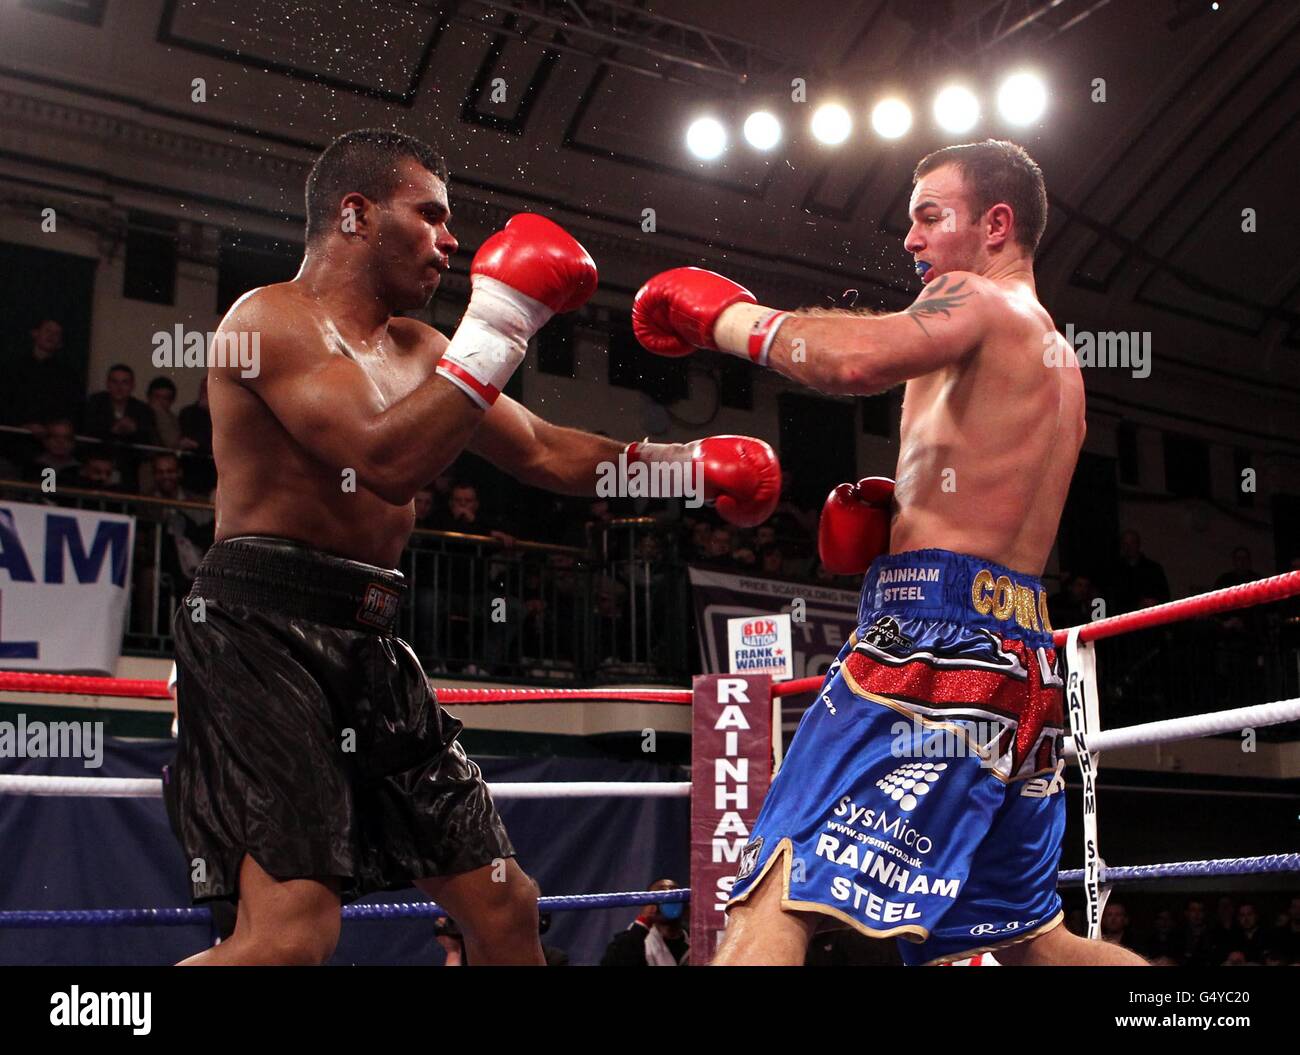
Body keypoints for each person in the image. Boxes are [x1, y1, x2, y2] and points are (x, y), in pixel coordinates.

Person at [165, 128, 780, 966]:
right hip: (260, 632)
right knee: (289, 938)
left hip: (372, 636)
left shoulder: (421, 350)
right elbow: (385, 460)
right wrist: (501, 321)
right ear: (355, 214)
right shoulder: (267, 320)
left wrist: (691, 468)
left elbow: (544, 452)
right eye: (430, 214)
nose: (451, 239)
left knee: (504, 907)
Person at [633, 138, 1146, 966]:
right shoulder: (1059, 359)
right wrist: (902, 521)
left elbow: (851, 360)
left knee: (776, 888)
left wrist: (719, 317)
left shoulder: (973, 296)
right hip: (1023, 660)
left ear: (996, 225)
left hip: (931, 648)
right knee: (1034, 942)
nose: (911, 239)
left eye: (930, 217)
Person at [600, 879, 690, 965]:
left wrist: (693, 918)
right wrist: (644, 921)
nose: (669, 898)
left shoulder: (694, 940)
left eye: (674, 893)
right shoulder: (632, 941)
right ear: (648, 904)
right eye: (661, 894)